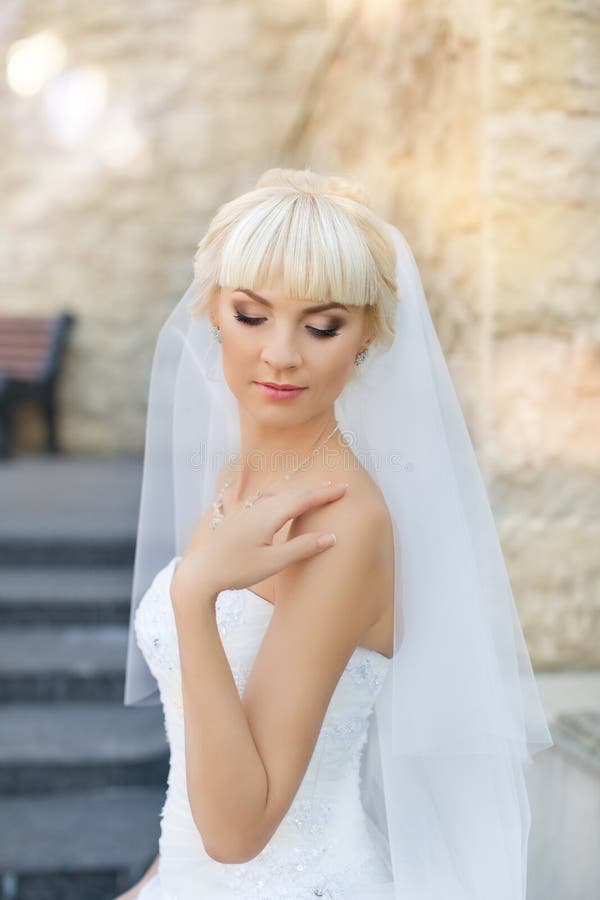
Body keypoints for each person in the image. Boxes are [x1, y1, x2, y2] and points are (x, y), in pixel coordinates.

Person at [119, 167, 553, 899]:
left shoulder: (344, 526)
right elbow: (194, 804)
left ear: (367, 337)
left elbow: (237, 831)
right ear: (213, 315)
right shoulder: (235, 479)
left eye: (321, 325)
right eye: (253, 316)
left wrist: (195, 593)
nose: (282, 353)